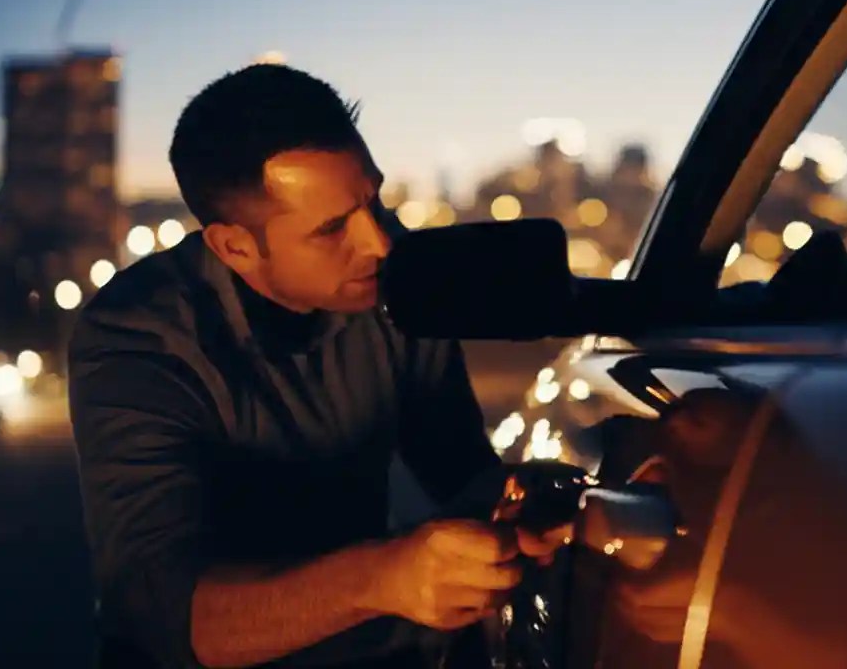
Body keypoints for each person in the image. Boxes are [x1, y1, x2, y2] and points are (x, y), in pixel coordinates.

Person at [69, 64, 563, 668]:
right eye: (332, 229)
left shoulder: (392, 280)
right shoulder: (137, 337)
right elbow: (163, 615)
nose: (378, 243)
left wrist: (528, 506)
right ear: (235, 247)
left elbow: (460, 473)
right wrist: (382, 577)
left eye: (373, 201)